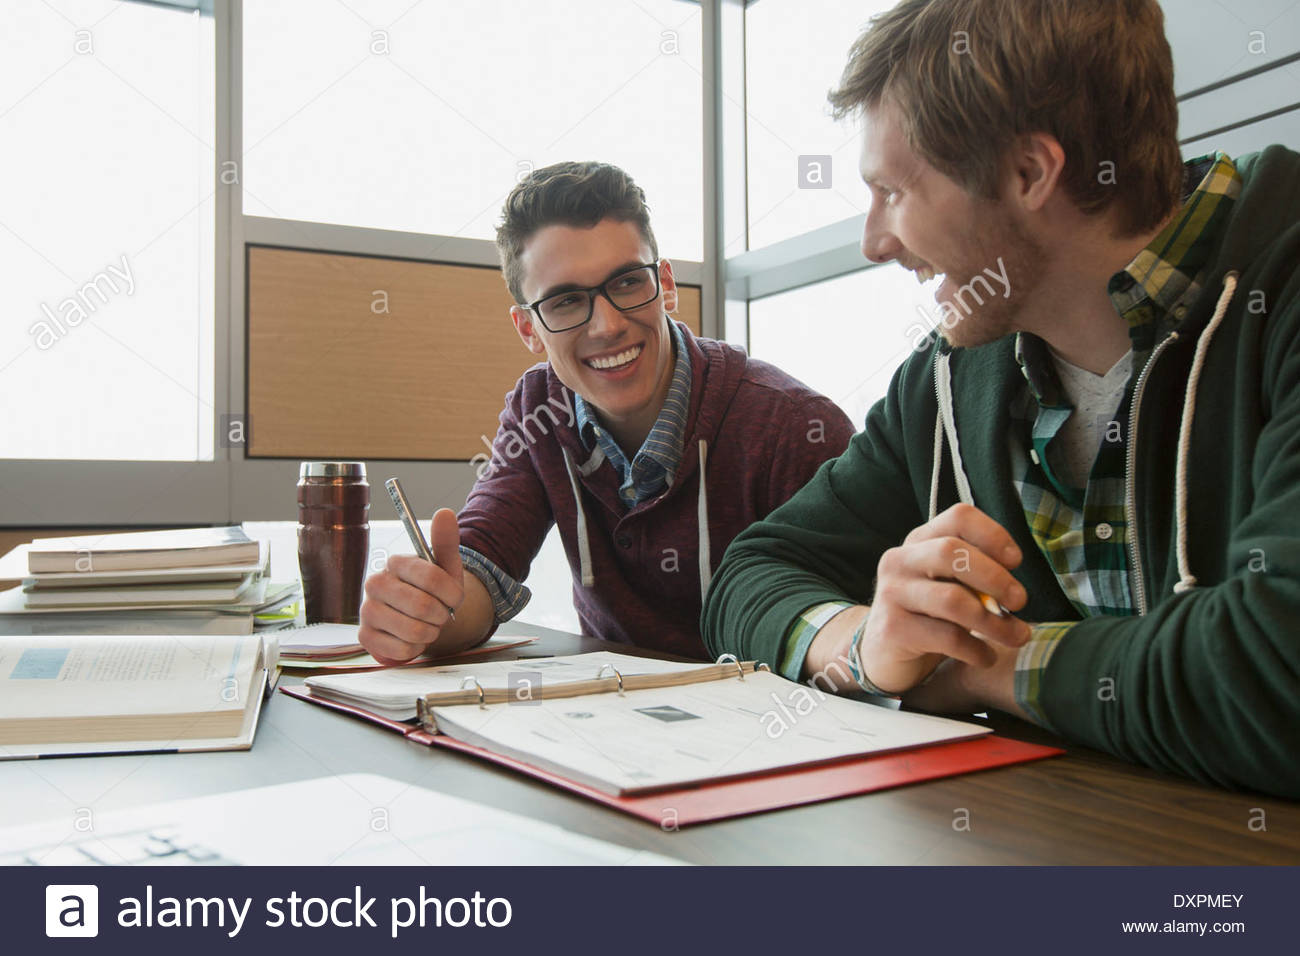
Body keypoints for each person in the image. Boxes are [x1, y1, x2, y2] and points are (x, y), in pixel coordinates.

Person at [702, 0, 1300, 797]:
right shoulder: (947, 373)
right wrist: (869, 647)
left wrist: (983, 667)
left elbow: (1276, 673)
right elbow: (753, 571)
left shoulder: (1280, 292)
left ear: (1029, 173)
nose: (875, 241)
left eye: (893, 191)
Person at [360, 161, 854, 663]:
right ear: (528, 329)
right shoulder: (541, 410)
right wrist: (426, 615)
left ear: (666, 284)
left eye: (626, 283)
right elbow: (480, 567)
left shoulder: (793, 427)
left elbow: (855, 642)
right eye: (567, 301)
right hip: (608, 723)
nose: (607, 326)